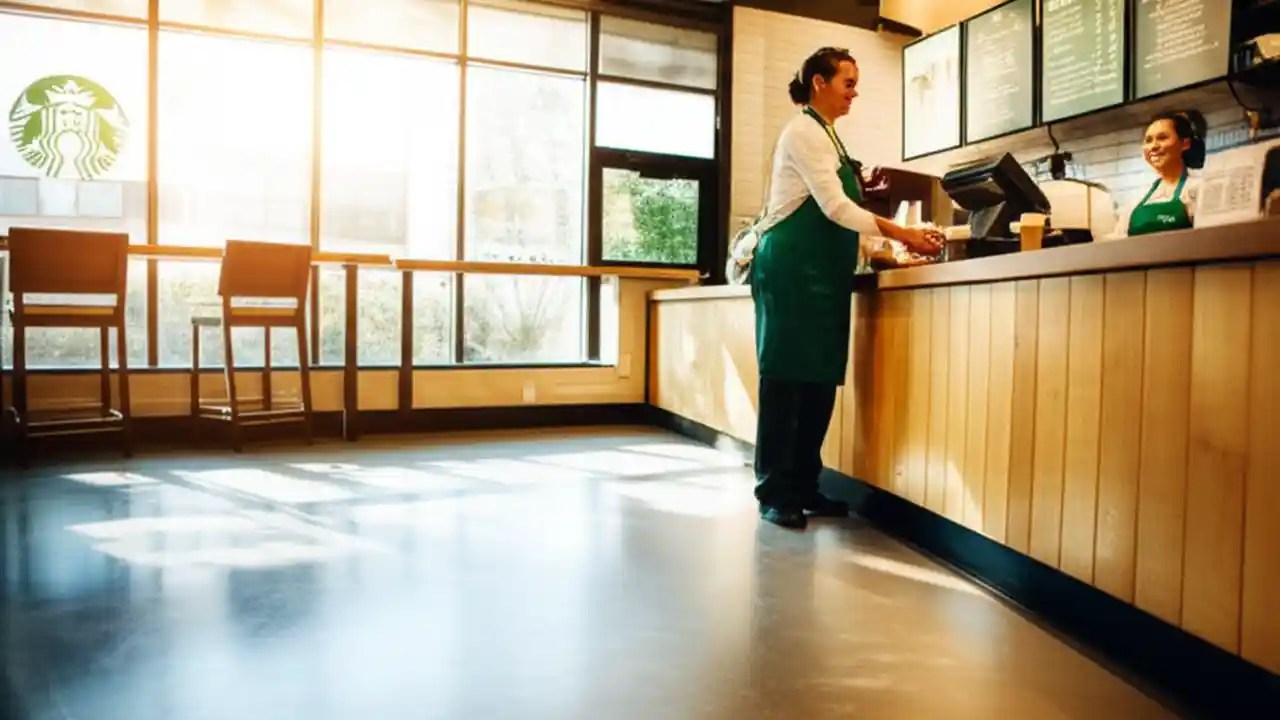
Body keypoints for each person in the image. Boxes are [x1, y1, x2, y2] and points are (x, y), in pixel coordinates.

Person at [751, 47, 943, 530]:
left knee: (818, 382)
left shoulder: (830, 136)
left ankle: (805, 485)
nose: (854, 92)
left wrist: (873, 251)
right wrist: (903, 234)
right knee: (786, 382)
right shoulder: (802, 132)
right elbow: (835, 207)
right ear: (818, 82)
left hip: (825, 274)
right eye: (848, 82)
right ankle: (775, 492)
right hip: (792, 270)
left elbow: (843, 219)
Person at [1110, 110, 1206, 238]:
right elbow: (1118, 243)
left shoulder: (1200, 189)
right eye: (1148, 140)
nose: (1153, 146)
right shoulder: (1137, 199)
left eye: (1162, 138)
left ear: (1185, 144)